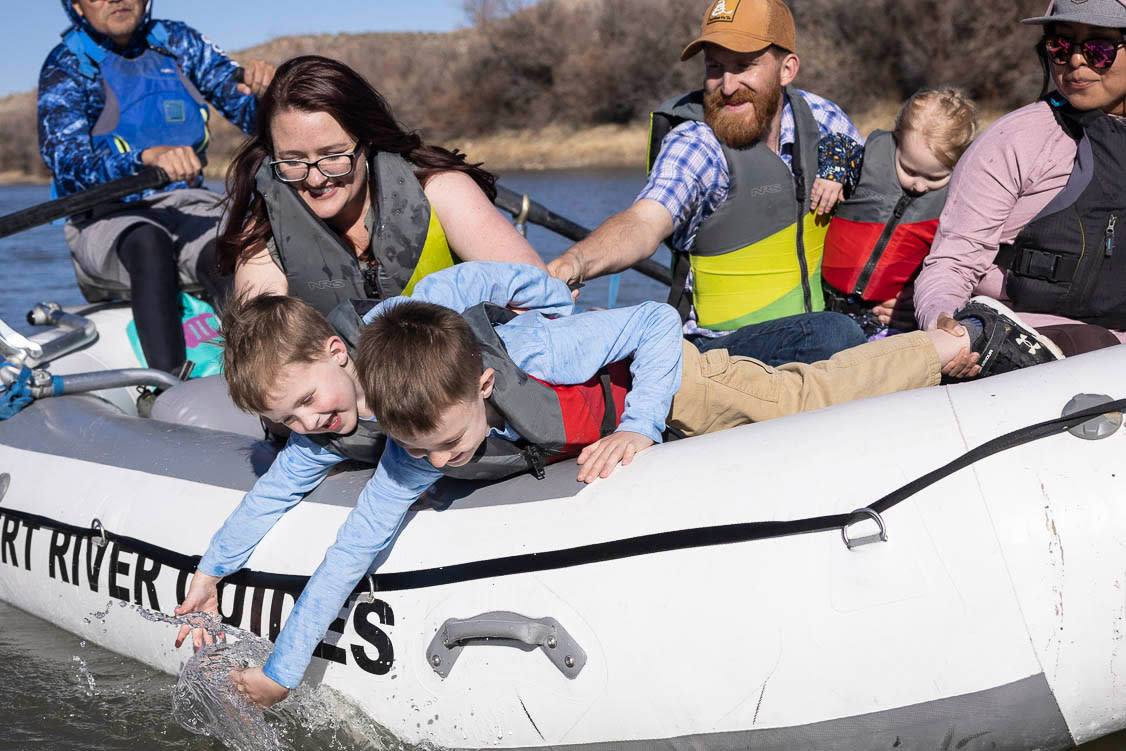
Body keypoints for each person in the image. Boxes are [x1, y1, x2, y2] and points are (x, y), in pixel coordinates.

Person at [172, 261, 1038, 707]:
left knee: (792, 398)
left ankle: (958, 343)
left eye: (444, 448)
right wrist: (276, 660)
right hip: (612, 410)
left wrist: (637, 425)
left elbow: (653, 324)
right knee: (790, 375)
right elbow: (347, 542)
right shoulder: (405, 441)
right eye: (420, 454)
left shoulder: (511, 357)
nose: (435, 466)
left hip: (662, 386)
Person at [547, 0, 867, 366]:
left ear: (787, 69)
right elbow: (644, 222)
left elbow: (880, 210)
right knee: (836, 334)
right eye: (715, 68)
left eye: (744, 66)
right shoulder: (697, 143)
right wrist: (575, 263)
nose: (728, 86)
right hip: (717, 352)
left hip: (814, 341)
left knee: (852, 332)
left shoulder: (826, 121)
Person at [38, 0, 275, 375]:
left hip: (189, 206)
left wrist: (267, 95)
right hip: (105, 216)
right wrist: (145, 158)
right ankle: (167, 385)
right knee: (149, 243)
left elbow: (255, 119)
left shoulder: (178, 41)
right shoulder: (65, 65)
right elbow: (67, 165)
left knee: (234, 251)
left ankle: (266, 376)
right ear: (78, 7)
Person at [217, 55, 546, 318]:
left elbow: (538, 292)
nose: (314, 179)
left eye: (333, 156)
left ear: (368, 140)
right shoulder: (262, 249)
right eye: (293, 160)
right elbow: (260, 371)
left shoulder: (439, 190)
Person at [913, 0, 1126, 370]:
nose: (1075, 60)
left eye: (1099, 48)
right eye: (1060, 45)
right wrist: (942, 322)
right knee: (1093, 345)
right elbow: (952, 262)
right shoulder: (1016, 140)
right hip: (1021, 344)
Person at [821, 88, 978, 339]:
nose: (918, 185)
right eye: (909, 169)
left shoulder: (958, 200)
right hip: (826, 297)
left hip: (886, 316)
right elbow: (835, 142)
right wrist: (832, 174)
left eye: (934, 177)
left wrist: (919, 297)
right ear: (897, 140)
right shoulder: (866, 160)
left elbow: (958, 260)